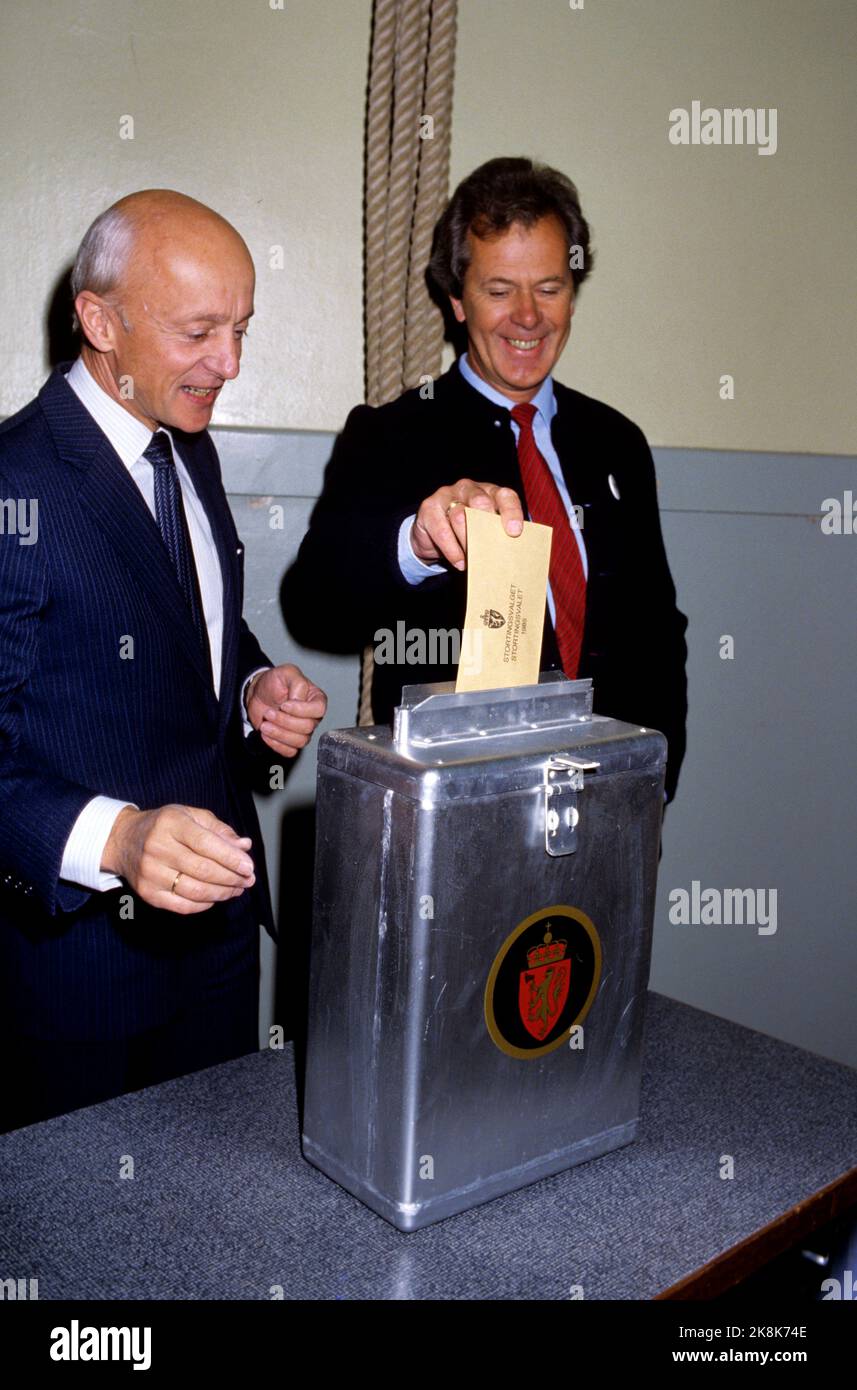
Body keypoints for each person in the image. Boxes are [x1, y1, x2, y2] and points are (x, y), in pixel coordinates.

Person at [0, 190, 327, 1131]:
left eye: (241, 330)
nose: (228, 364)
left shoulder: (188, 449)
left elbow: (189, 636)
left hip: (220, 952)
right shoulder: (15, 484)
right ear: (98, 320)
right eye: (199, 331)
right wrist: (117, 839)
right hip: (77, 988)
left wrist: (254, 686)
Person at [282, 156, 687, 800]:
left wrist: (652, 784)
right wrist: (415, 543)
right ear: (456, 299)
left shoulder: (618, 444)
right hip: (455, 810)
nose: (527, 316)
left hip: (610, 802)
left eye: (549, 288)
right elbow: (315, 608)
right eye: (500, 291)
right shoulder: (392, 435)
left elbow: (659, 631)